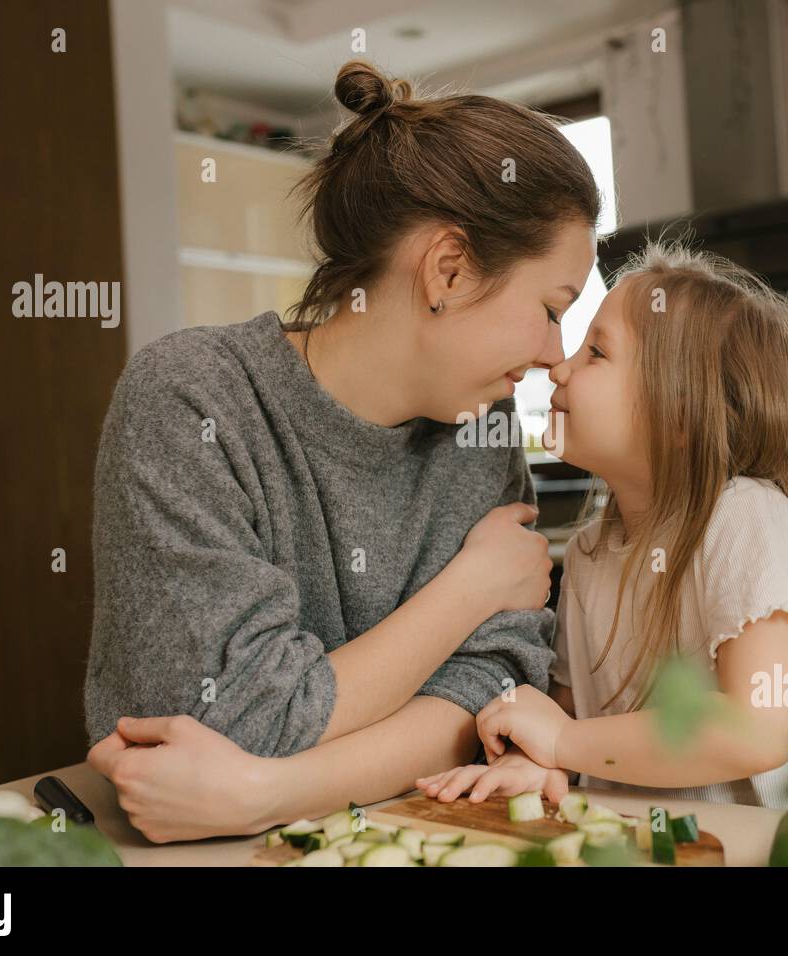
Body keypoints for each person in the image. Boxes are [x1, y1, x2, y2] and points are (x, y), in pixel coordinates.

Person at [83, 59, 601, 842]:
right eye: (551, 307)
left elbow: (494, 690)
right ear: (450, 270)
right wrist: (472, 585)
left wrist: (263, 791)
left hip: (404, 838)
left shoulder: (479, 432)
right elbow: (237, 716)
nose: (554, 352)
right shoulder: (190, 400)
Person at [419, 240, 788, 810]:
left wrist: (562, 741)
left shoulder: (746, 517)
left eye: (596, 353)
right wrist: (537, 756)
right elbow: (567, 717)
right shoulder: (589, 552)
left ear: (681, 415)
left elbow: (758, 727)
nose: (560, 366)